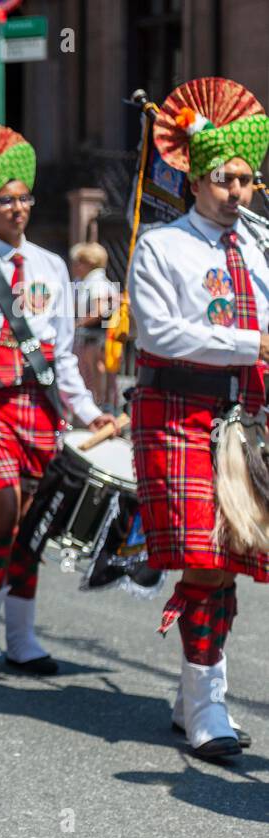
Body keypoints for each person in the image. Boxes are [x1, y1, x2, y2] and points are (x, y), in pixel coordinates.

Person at [0, 124, 115, 677]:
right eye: (4, 201)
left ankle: (22, 635)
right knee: (6, 508)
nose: (17, 208)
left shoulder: (53, 266)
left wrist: (88, 412)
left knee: (35, 518)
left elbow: (60, 354)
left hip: (37, 403)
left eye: (23, 198)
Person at [128, 77, 269, 760]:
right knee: (207, 562)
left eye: (247, 179)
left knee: (231, 563)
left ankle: (192, 698)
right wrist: (252, 344)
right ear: (193, 179)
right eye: (225, 179)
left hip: (247, 420)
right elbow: (158, 333)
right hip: (178, 410)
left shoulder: (261, 247)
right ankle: (208, 706)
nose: (238, 192)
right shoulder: (161, 246)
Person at [69, 241, 118, 409]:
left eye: (78, 262)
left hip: (97, 339)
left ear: (88, 262)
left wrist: (75, 325)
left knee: (96, 373)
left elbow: (98, 311)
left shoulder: (96, 283)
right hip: (98, 339)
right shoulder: (93, 282)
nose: (75, 266)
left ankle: (100, 408)